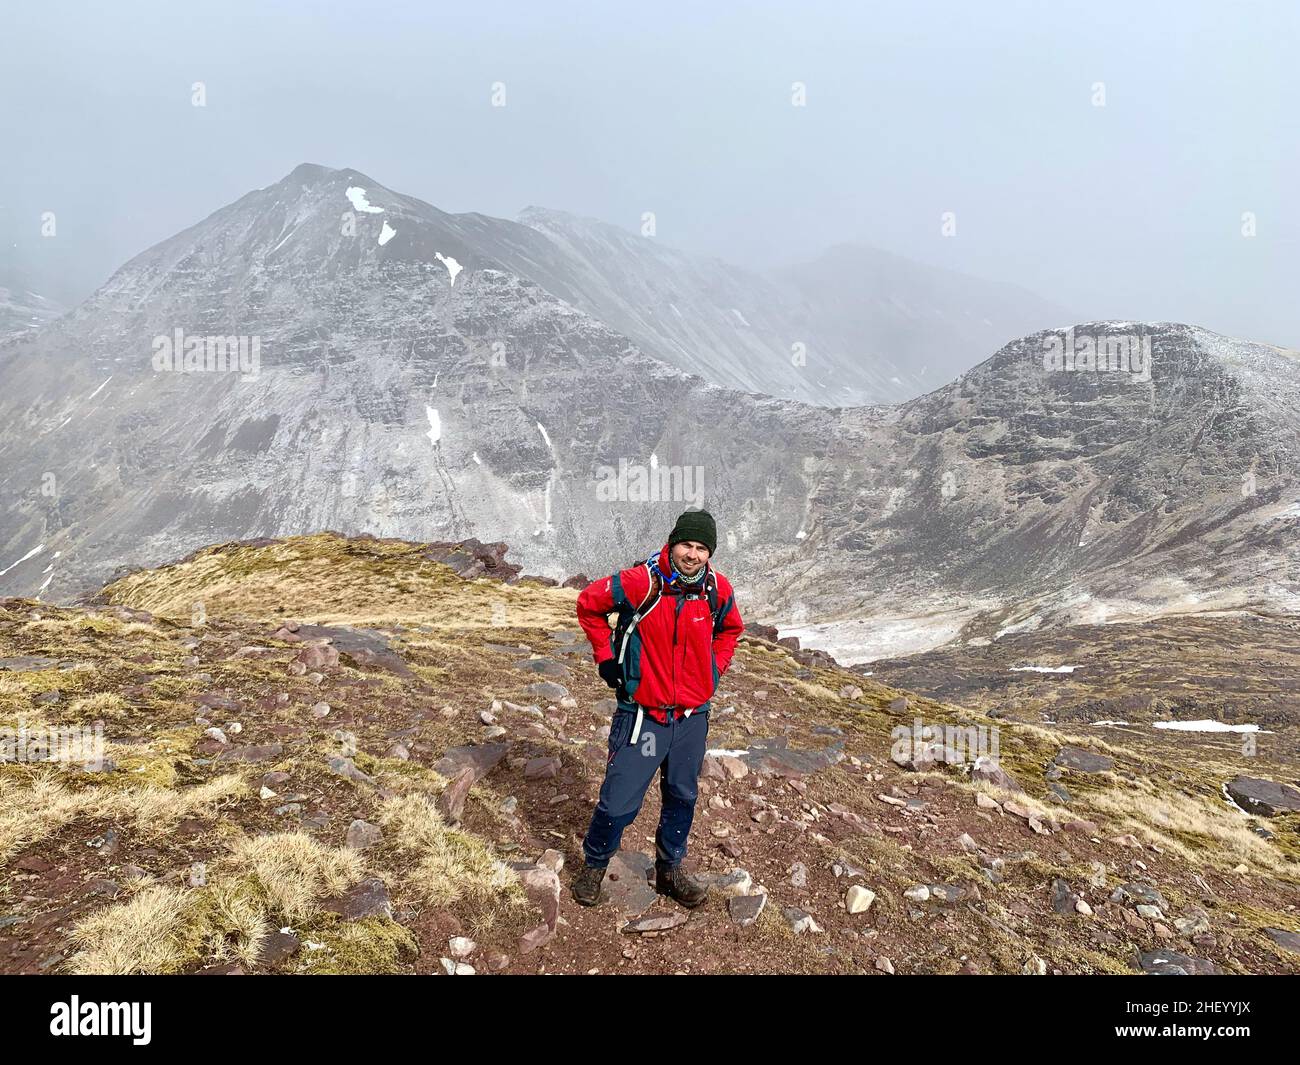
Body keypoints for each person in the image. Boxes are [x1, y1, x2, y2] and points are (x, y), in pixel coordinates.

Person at [570, 509, 744, 907]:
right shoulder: (641, 582)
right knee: (620, 800)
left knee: (682, 795)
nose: (693, 555)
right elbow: (588, 604)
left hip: (691, 717)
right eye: (687, 545)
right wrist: (605, 657)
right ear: (672, 543)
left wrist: (712, 673)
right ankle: (594, 866)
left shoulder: (716, 590)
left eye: (702, 548)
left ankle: (670, 871)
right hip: (644, 719)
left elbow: (731, 630)